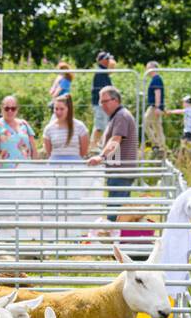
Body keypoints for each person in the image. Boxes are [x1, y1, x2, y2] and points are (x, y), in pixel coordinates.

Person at [88, 86, 137, 218]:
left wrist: (101, 157)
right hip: (119, 172)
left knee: (115, 215)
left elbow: (115, 140)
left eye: (105, 101)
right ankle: (118, 237)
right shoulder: (117, 116)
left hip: (121, 173)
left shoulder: (121, 116)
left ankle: (114, 237)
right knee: (119, 214)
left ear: (115, 100)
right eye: (100, 102)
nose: (102, 105)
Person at [0, 96, 37, 165]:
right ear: (1, 109)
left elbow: (34, 150)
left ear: (17, 109)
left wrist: (34, 169)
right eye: (7, 108)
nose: (10, 111)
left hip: (26, 171)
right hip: (5, 173)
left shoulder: (24, 124)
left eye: (13, 108)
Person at [42, 93, 89, 161]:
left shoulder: (80, 126)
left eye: (62, 109)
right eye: (56, 109)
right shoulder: (49, 129)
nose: (58, 112)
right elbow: (49, 152)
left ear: (68, 109)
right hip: (55, 166)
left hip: (75, 165)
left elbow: (83, 151)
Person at [90, 51, 114, 149]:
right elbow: (104, 90)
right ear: (102, 60)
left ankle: (94, 146)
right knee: (100, 126)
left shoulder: (103, 71)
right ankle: (94, 147)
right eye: (107, 59)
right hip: (100, 104)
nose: (109, 61)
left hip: (102, 104)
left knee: (100, 126)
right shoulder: (100, 72)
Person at [143, 61, 166, 154]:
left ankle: (155, 144)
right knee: (157, 127)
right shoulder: (156, 79)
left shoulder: (156, 79)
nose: (146, 70)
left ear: (152, 68)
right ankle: (160, 146)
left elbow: (158, 93)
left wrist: (157, 107)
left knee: (146, 124)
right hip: (155, 106)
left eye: (147, 68)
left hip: (154, 107)